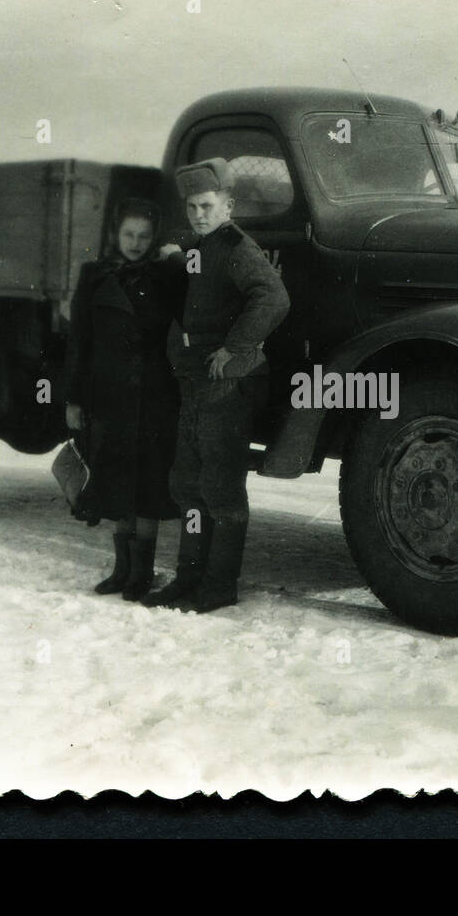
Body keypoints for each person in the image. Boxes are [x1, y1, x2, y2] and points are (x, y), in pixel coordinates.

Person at [142, 157, 290, 613]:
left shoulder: (237, 247)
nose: (199, 214)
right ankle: (189, 578)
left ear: (229, 205)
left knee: (221, 487)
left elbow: (274, 297)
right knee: (188, 484)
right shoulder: (202, 247)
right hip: (196, 383)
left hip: (227, 386)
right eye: (191, 207)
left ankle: (220, 585)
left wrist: (235, 348)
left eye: (207, 205)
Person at [64, 198, 182, 599]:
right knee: (114, 479)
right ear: (116, 234)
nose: (135, 243)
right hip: (109, 396)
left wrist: (178, 259)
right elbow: (79, 341)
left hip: (153, 396)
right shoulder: (95, 275)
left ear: (154, 239)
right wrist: (74, 400)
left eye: (144, 236)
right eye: (129, 234)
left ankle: (141, 575)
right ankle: (121, 570)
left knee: (148, 483)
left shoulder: (166, 275)